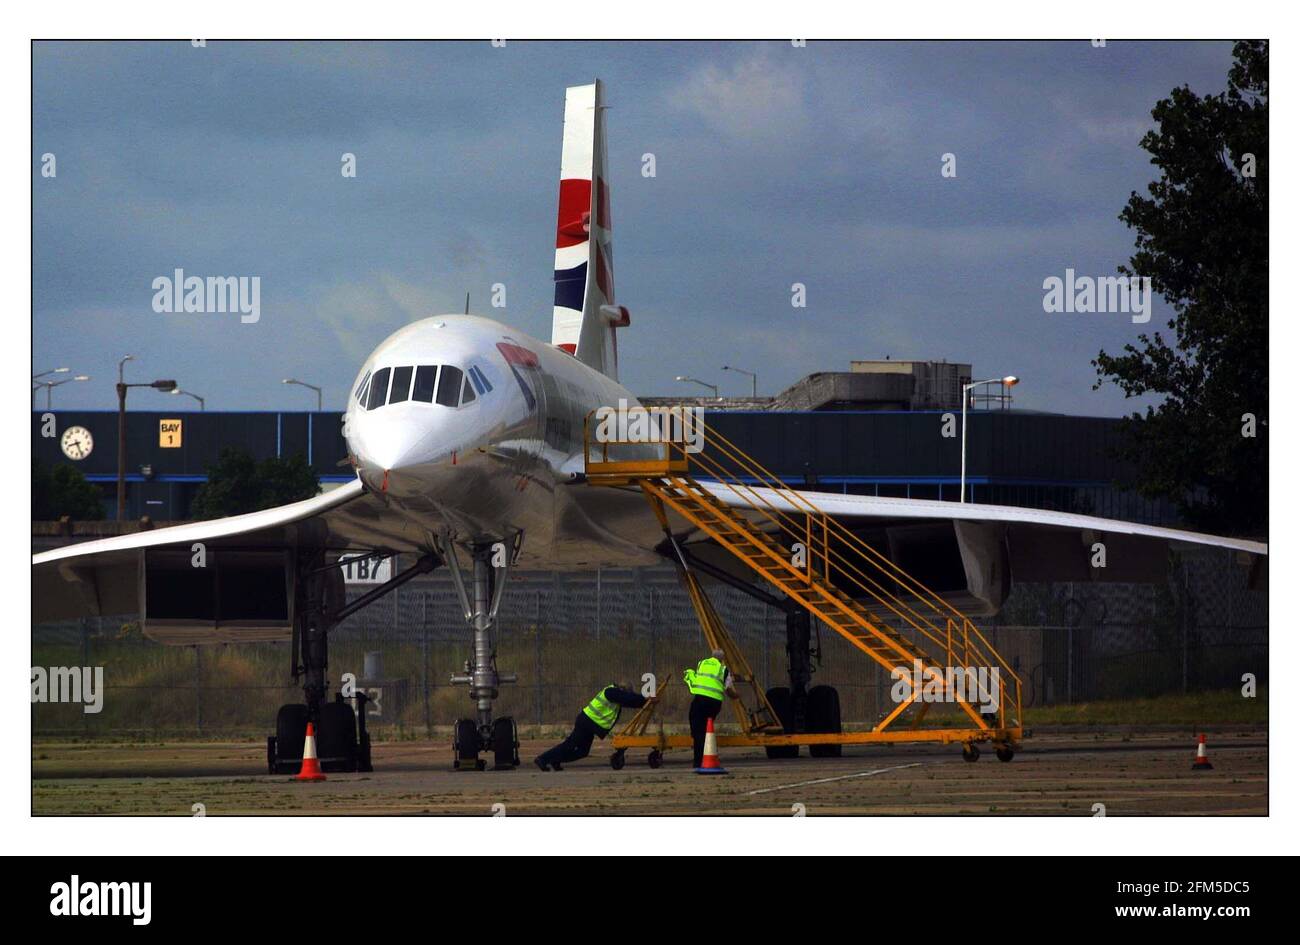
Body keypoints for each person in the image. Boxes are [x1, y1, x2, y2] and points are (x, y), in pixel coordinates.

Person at [535, 682, 647, 771]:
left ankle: (555, 760)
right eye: (627, 692)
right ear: (622, 690)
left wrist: (645, 701)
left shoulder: (614, 694)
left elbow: (630, 701)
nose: (628, 694)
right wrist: (643, 698)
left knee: (583, 751)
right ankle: (542, 759)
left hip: (589, 723)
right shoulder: (611, 692)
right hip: (586, 722)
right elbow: (629, 699)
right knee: (569, 745)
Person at [684, 648, 739, 768]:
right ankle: (705, 755)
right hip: (714, 704)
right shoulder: (723, 669)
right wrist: (736, 696)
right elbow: (729, 689)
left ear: (712, 656)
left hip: (700, 700)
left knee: (698, 729)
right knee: (707, 729)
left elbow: (699, 679)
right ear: (722, 659)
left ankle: (698, 761)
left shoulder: (701, 664)